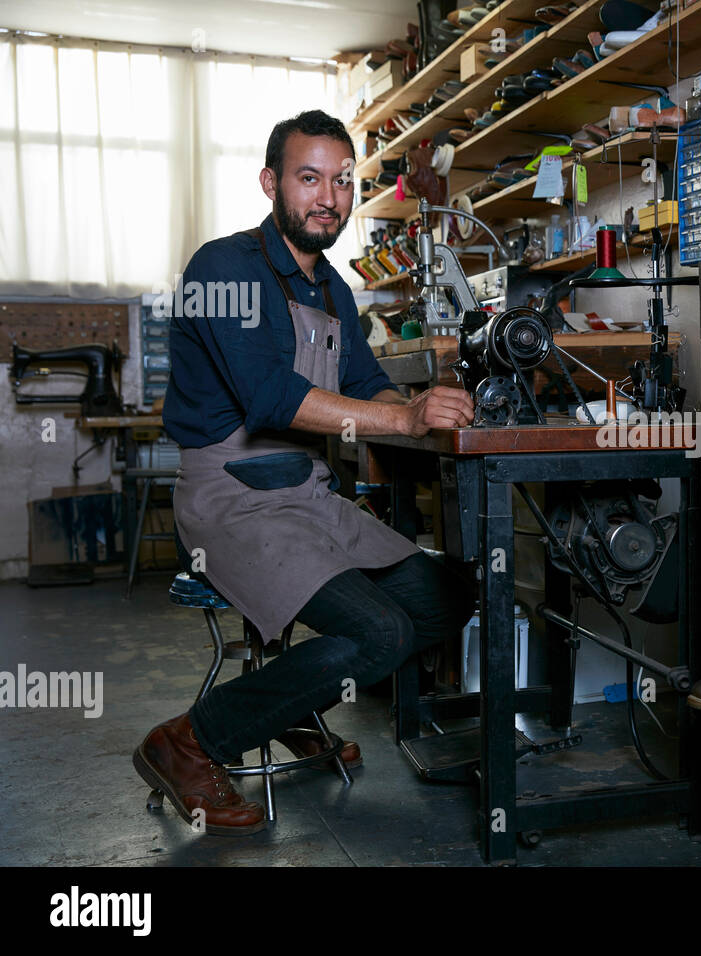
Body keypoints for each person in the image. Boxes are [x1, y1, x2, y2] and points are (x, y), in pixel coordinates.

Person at [133, 110, 476, 835]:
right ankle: (189, 742)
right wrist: (404, 420)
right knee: (380, 634)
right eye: (309, 178)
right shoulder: (223, 268)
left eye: (343, 182)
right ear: (271, 183)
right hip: (230, 496)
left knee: (449, 596)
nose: (329, 197)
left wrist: (421, 406)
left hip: (309, 495)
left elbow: (366, 380)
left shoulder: (333, 291)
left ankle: (284, 702)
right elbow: (268, 396)